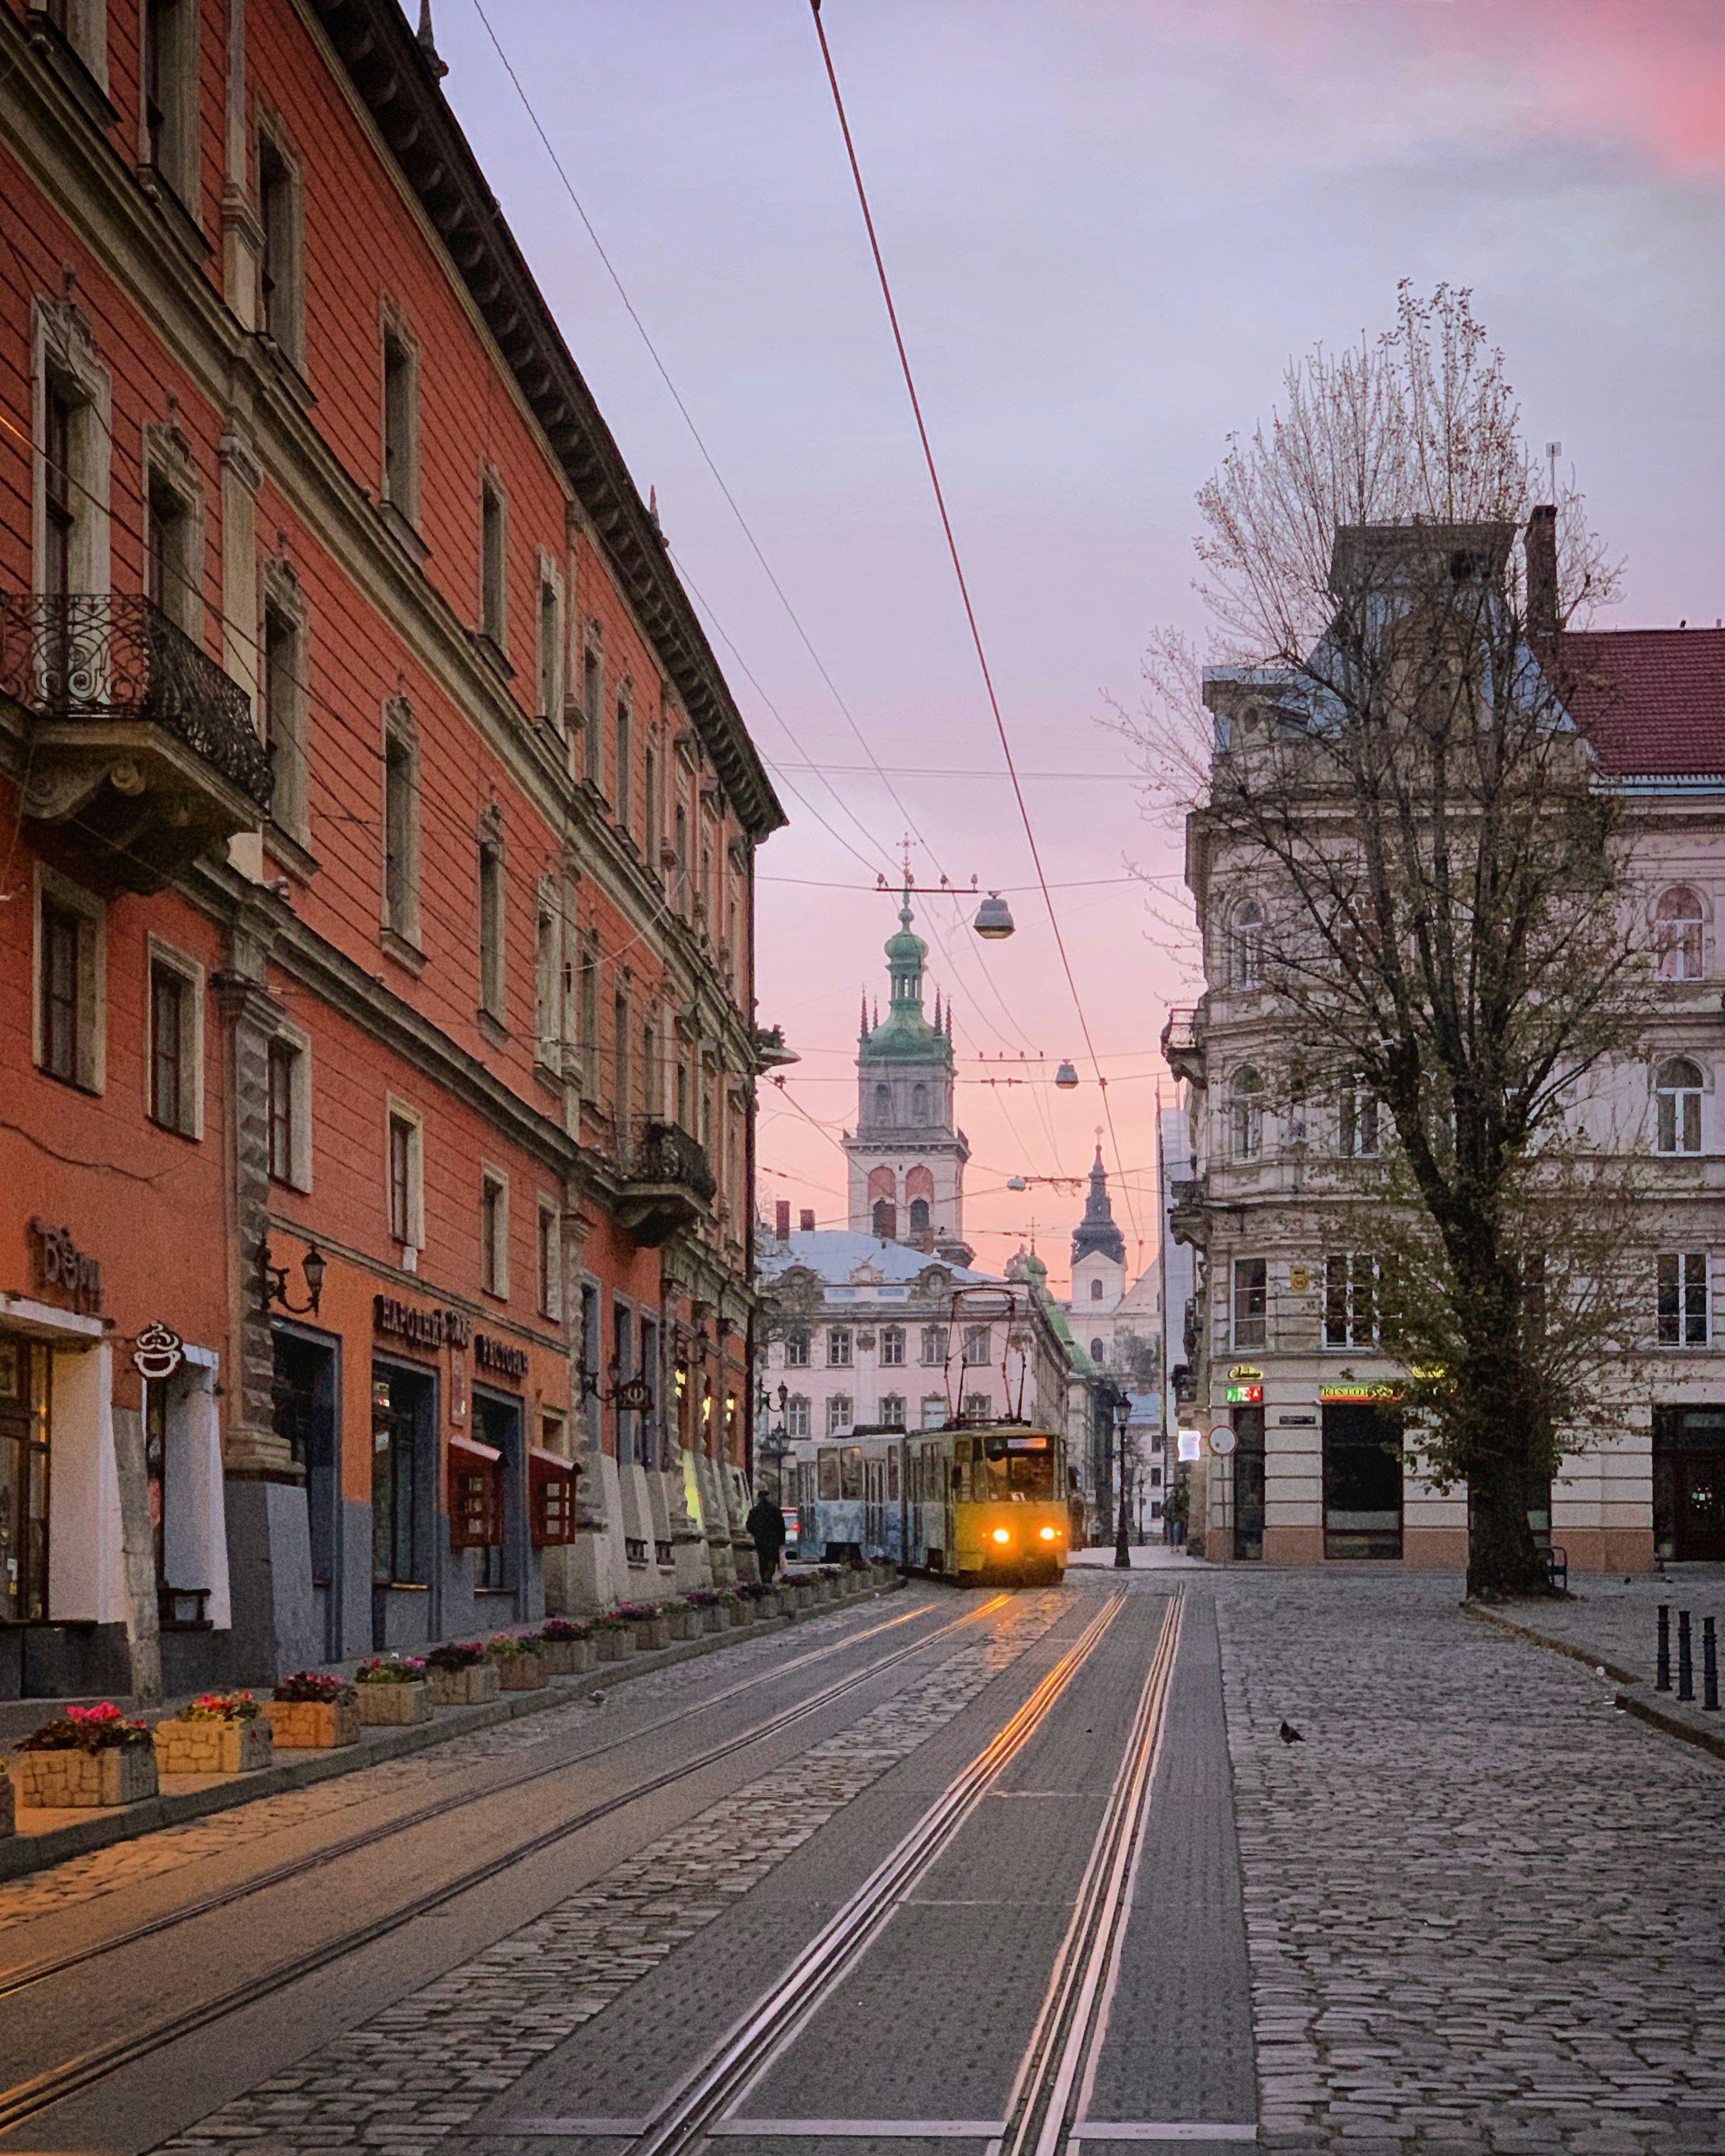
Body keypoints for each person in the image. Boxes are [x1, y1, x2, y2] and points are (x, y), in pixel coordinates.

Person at [747, 1488, 787, 1585]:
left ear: (759, 1498)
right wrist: (782, 1541)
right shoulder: (775, 1510)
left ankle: (764, 1578)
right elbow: (781, 1526)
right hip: (773, 1540)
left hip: (760, 1540)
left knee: (763, 1559)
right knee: (772, 1559)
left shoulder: (754, 1511)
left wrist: (756, 1534)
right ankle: (768, 1578)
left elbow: (749, 1526)